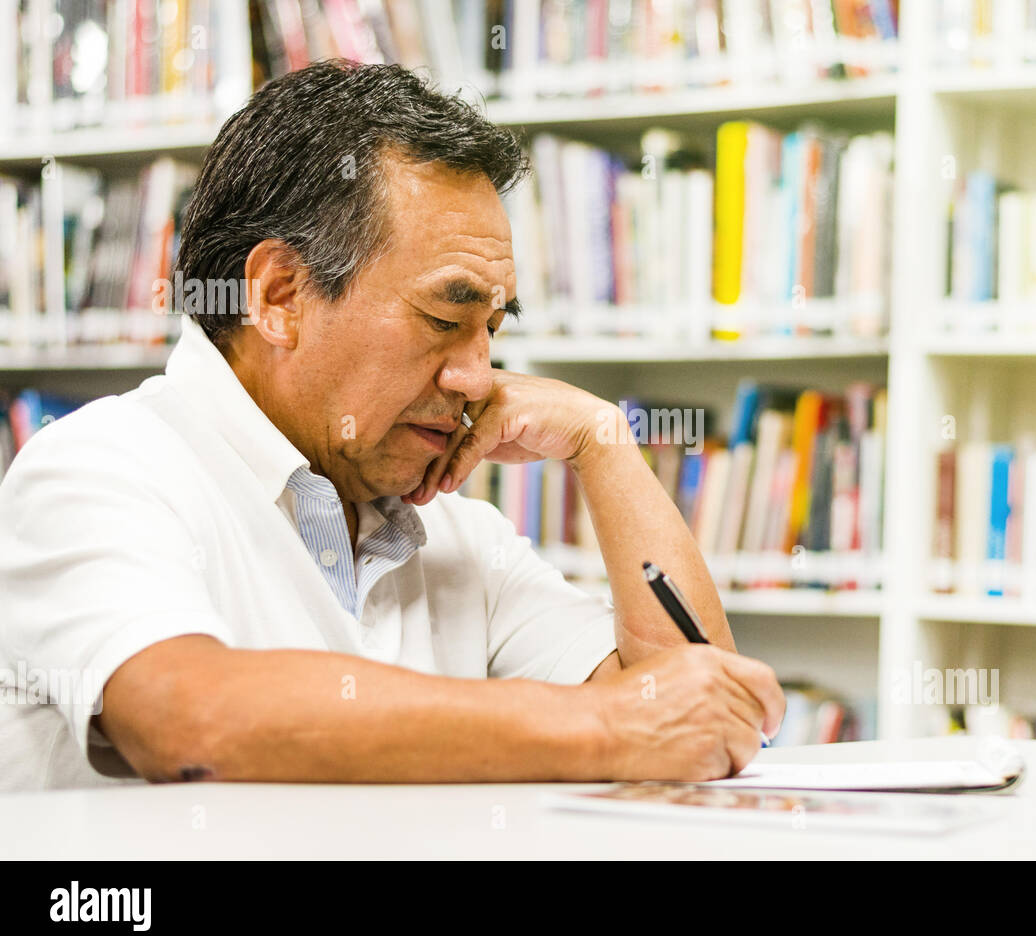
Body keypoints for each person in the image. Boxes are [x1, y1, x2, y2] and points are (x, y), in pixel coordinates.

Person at [0, 60, 782, 790]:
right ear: (278, 297)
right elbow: (185, 714)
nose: (478, 377)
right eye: (446, 316)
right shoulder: (98, 468)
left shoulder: (458, 536)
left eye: (493, 330)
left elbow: (694, 722)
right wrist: (604, 725)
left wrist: (603, 442)